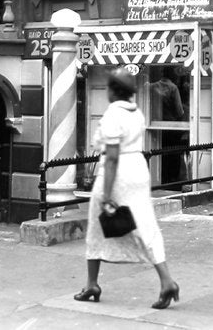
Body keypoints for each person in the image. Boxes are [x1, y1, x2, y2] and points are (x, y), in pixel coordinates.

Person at [76, 65, 179, 309]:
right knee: (144, 224)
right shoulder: (136, 112)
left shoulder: (113, 113)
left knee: (96, 223)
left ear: (113, 91)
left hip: (118, 172)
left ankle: (92, 283)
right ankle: (166, 279)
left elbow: (111, 157)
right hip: (137, 169)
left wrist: (107, 194)